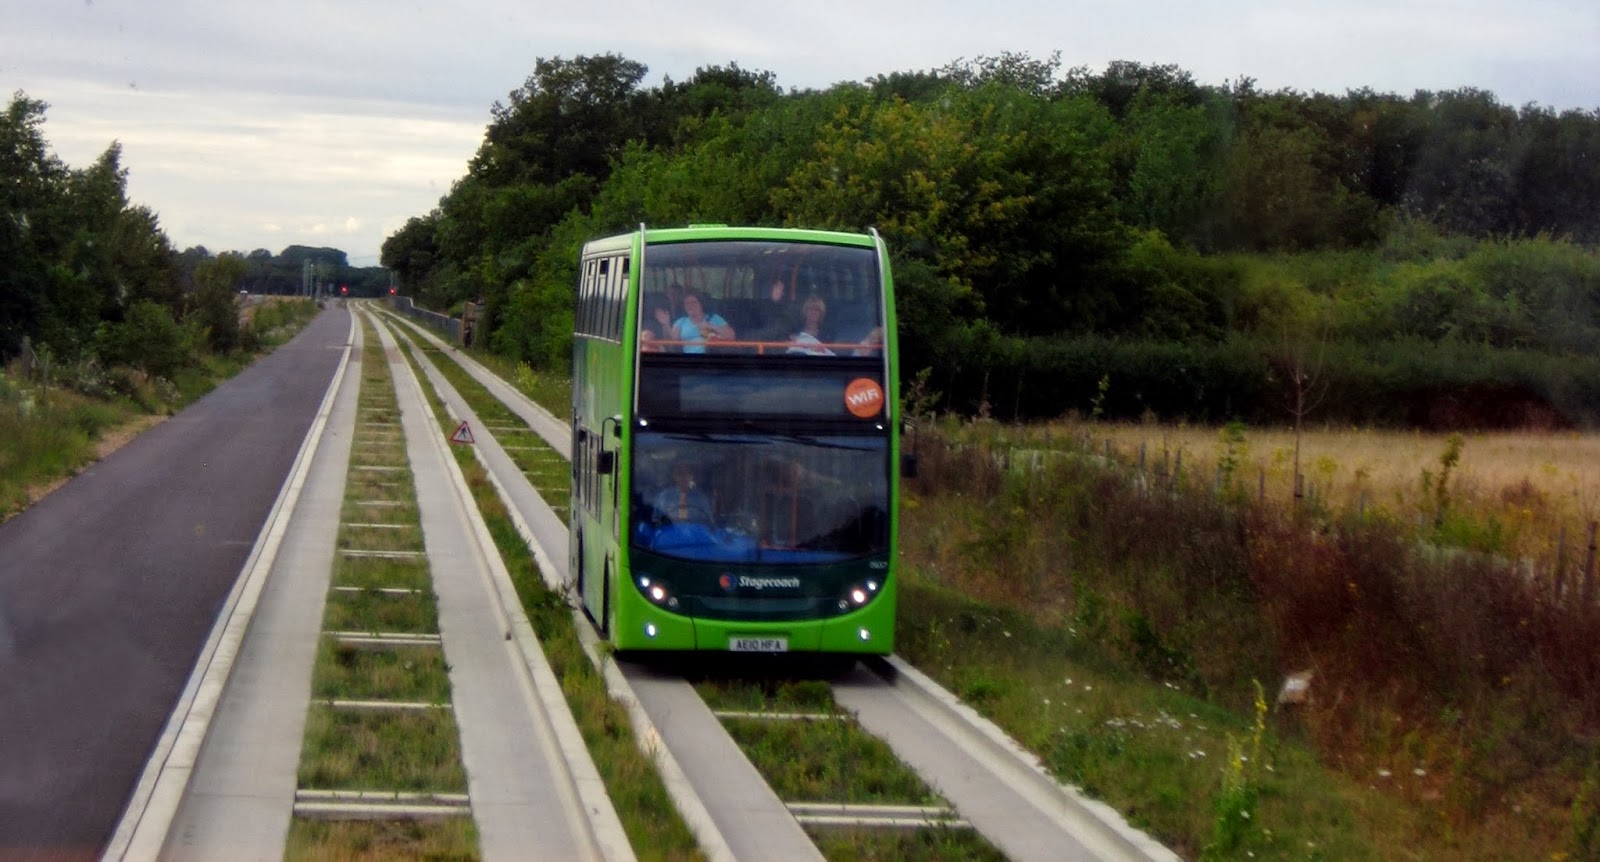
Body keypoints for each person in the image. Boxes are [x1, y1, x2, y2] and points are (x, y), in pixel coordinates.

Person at [671, 290, 735, 354]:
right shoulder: (680, 322)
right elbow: (671, 341)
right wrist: (665, 324)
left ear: (701, 304)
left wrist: (711, 326)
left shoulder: (714, 318)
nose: (690, 305)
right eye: (686, 303)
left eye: (693, 302)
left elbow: (731, 336)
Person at [748, 277, 800, 344]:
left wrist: (791, 336)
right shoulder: (756, 308)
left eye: (782, 290)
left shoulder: (784, 308)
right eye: (778, 288)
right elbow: (756, 333)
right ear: (769, 289)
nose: (781, 292)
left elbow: (790, 328)